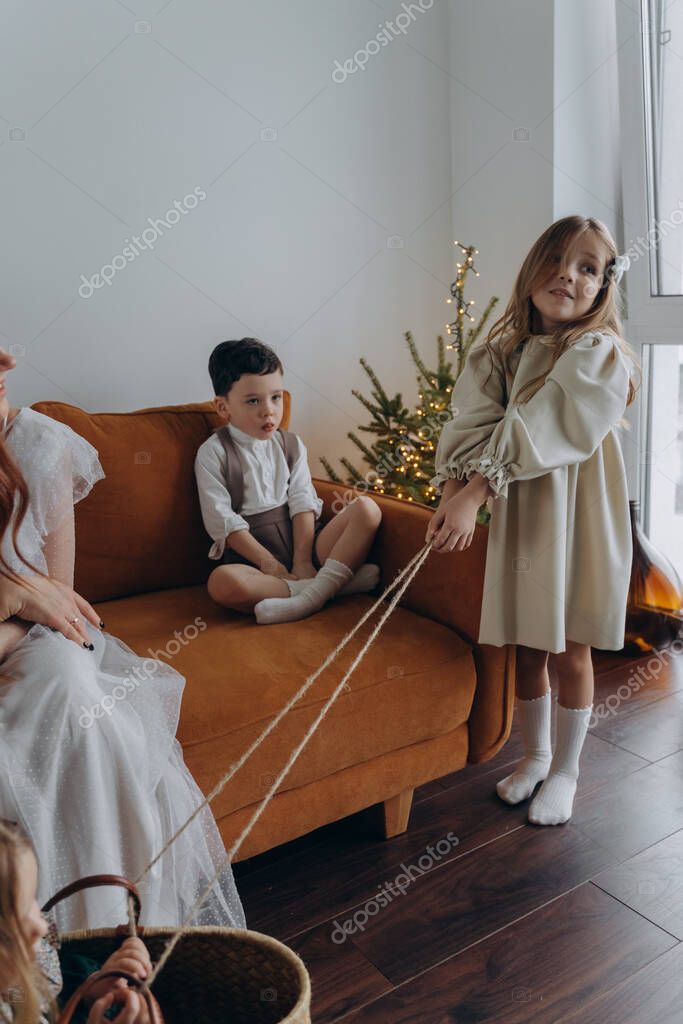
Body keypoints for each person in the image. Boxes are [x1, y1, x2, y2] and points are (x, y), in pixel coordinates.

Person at [0, 349, 246, 933]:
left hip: (44, 646)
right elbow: (33, 601)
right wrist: (11, 596)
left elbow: (61, 609)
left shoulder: (41, 444)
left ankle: (112, 939)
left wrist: (24, 603)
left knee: (69, 691)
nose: (6, 363)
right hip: (21, 633)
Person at [426, 215, 640, 825]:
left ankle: (568, 770)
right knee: (526, 642)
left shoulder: (598, 353)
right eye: (557, 261)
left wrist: (475, 492)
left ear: (603, 287)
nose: (567, 276)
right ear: (531, 269)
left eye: (587, 268)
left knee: (570, 646)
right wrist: (451, 492)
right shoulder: (499, 351)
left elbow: (539, 426)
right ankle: (535, 755)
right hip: (526, 516)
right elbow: (468, 423)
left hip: (580, 514)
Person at [194, 337, 383, 625]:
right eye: (253, 401)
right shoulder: (213, 453)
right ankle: (329, 587)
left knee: (368, 509)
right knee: (221, 583)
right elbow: (223, 522)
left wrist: (303, 560)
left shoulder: (291, 445)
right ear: (223, 407)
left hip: (305, 547)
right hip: (254, 561)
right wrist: (272, 566)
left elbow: (302, 501)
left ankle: (309, 595)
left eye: (276, 397)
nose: (269, 410)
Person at [0, 819, 152, 1023]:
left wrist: (90, 992)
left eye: (31, 901)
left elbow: (41, 1006)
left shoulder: (17, 986)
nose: (42, 926)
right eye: (8, 926)